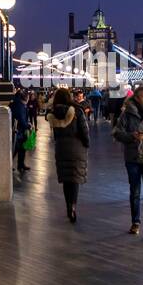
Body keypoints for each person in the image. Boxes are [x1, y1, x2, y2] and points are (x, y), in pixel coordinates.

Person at [112, 85, 143, 238]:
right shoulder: (127, 113)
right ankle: (136, 222)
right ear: (137, 98)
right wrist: (131, 136)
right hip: (132, 158)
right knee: (135, 191)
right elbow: (116, 132)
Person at [47, 87, 89, 222]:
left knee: (66, 180)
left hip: (61, 148)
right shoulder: (76, 111)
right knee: (74, 179)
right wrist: (86, 143)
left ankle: (68, 206)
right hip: (76, 147)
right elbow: (84, 129)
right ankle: (73, 207)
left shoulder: (53, 114)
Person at [10, 87, 31, 175]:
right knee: (16, 149)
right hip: (18, 131)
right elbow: (21, 119)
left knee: (21, 148)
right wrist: (27, 125)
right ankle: (11, 165)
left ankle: (21, 164)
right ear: (25, 97)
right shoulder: (20, 105)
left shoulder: (19, 104)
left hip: (20, 131)